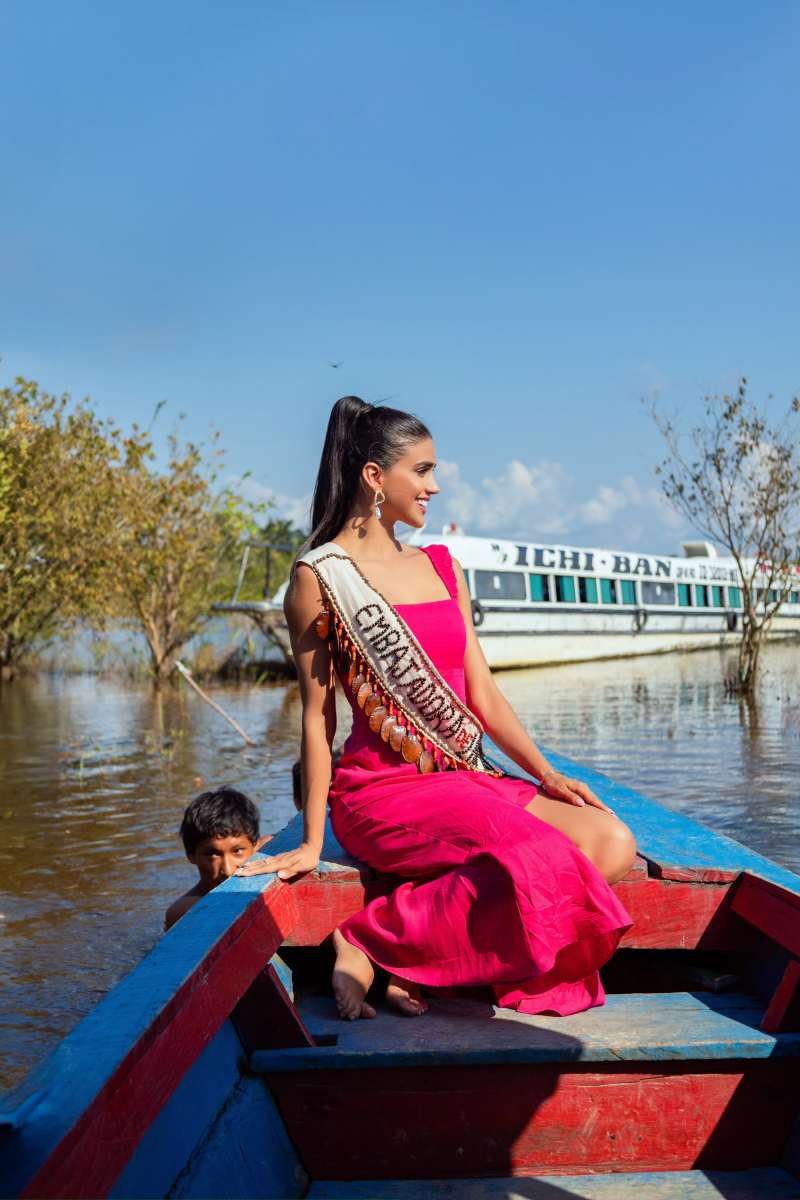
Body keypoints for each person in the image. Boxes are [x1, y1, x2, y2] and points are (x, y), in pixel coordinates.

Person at [237, 396, 636, 1020]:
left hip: (464, 777)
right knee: (545, 855)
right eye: (422, 471)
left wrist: (545, 773)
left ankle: (391, 934)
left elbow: (483, 692)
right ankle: (372, 940)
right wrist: (314, 840)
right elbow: (317, 718)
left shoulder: (443, 567)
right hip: (382, 794)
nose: (435, 485)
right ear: (375, 477)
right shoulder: (320, 576)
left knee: (611, 843)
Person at [164, 786, 271, 931]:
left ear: (255, 847)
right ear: (190, 856)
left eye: (237, 851)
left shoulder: (271, 859)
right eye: (213, 854)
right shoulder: (185, 911)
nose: (227, 870)